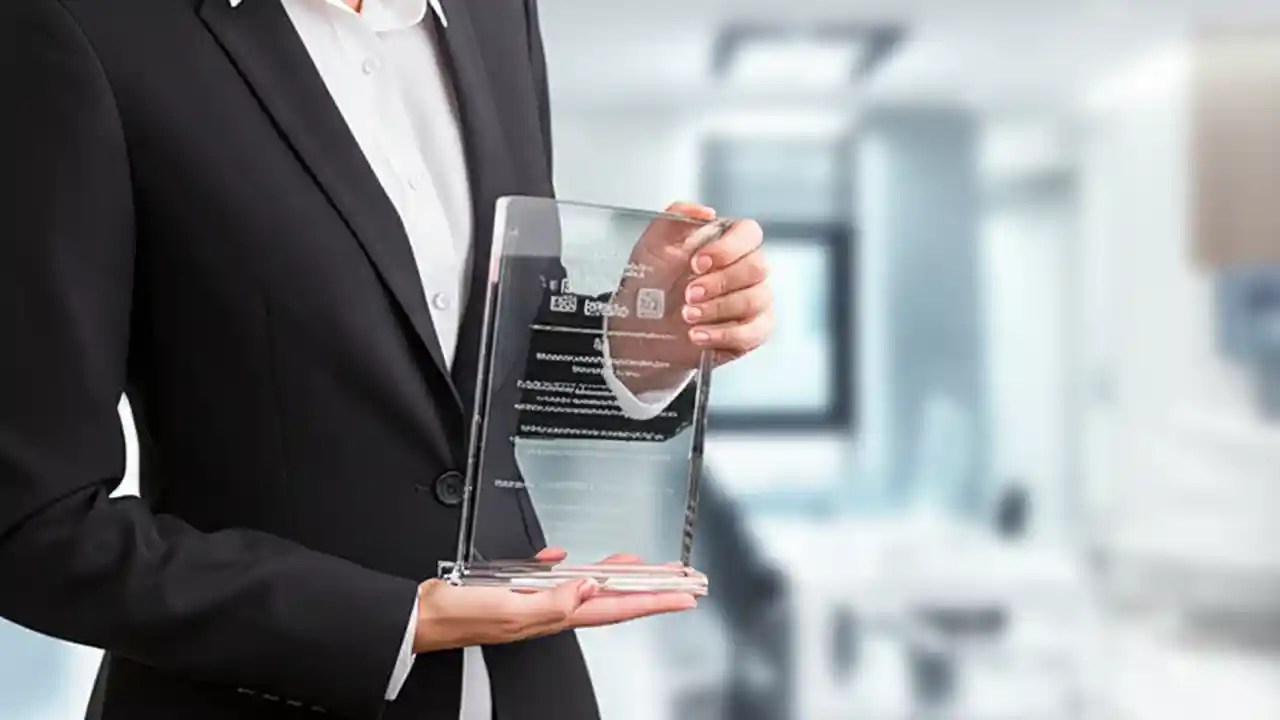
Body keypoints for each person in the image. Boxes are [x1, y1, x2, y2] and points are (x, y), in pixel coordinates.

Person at [0, 0, 774, 718]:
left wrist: (637, 347)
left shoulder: (496, 13)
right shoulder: (82, 30)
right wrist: (400, 620)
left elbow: (473, 382)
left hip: (532, 687)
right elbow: (33, 526)